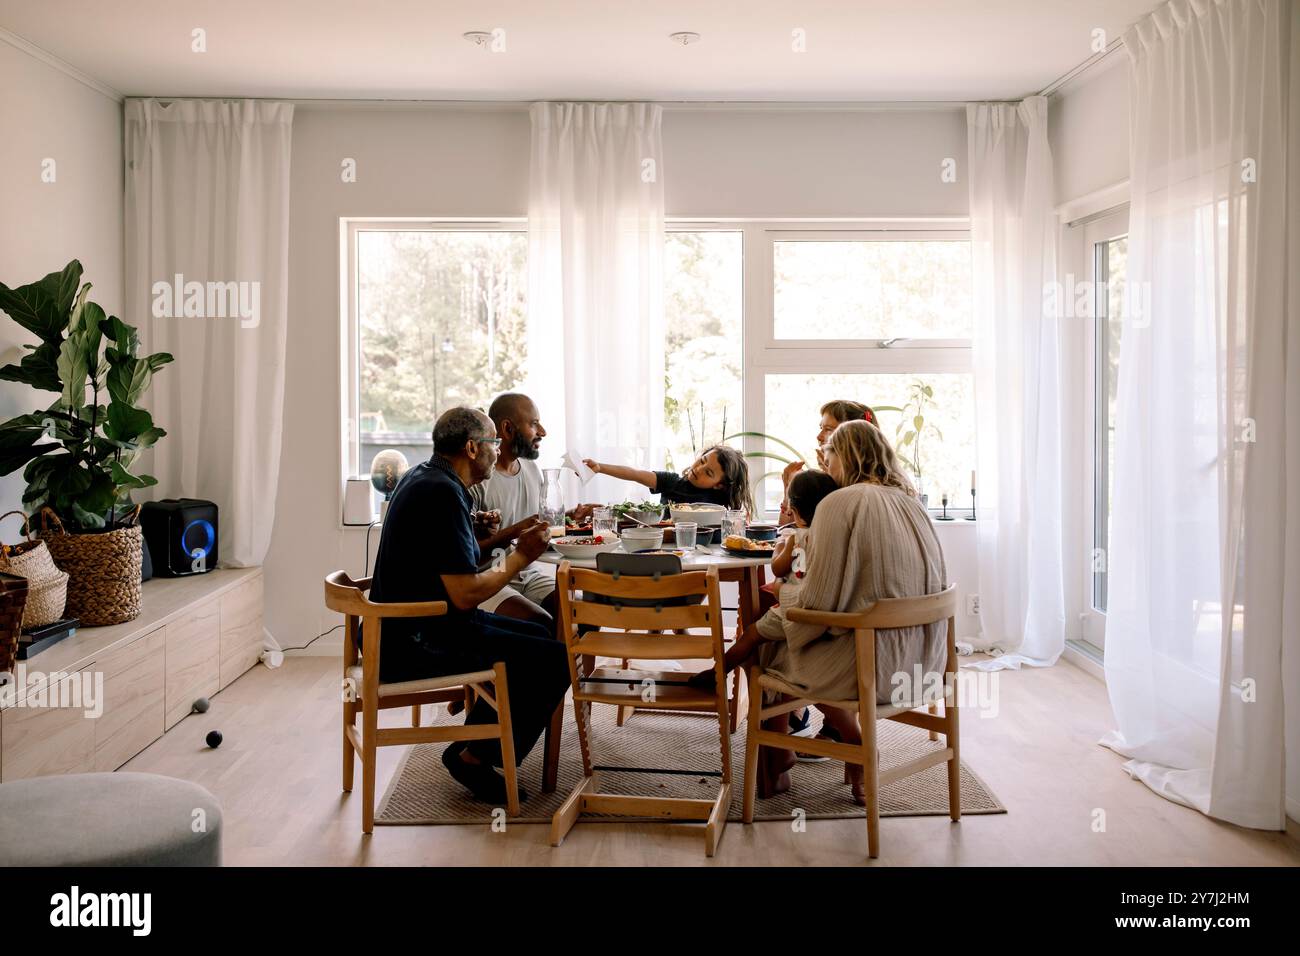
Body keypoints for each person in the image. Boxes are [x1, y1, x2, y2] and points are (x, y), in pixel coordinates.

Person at [723, 420, 949, 804]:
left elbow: (817, 605)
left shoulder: (838, 504)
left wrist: (783, 591)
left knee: (768, 646)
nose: (825, 465)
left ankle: (780, 764)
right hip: (924, 664)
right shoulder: (911, 502)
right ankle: (822, 755)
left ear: (843, 456)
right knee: (785, 633)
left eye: (828, 456)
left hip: (870, 669)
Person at [367, 406, 572, 806]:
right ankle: (474, 755)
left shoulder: (427, 478)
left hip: (419, 624)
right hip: (414, 639)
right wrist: (520, 557)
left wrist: (498, 537)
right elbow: (464, 593)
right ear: (473, 448)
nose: (499, 451)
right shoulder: (442, 492)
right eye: (494, 443)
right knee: (555, 659)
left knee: (540, 635)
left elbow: (451, 564)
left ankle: (475, 745)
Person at [470, 392, 595, 627]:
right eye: (534, 423)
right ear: (507, 429)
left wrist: (569, 518)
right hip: (489, 578)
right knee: (540, 623)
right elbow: (470, 556)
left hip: (528, 574)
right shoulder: (477, 479)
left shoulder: (530, 469)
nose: (543, 432)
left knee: (586, 616)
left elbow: (536, 524)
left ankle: (569, 665)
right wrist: (517, 531)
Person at [583, 445, 756, 515]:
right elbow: (634, 474)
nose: (698, 469)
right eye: (702, 461)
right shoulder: (672, 482)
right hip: (662, 550)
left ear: (719, 485)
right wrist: (600, 467)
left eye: (708, 473)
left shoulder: (717, 507)